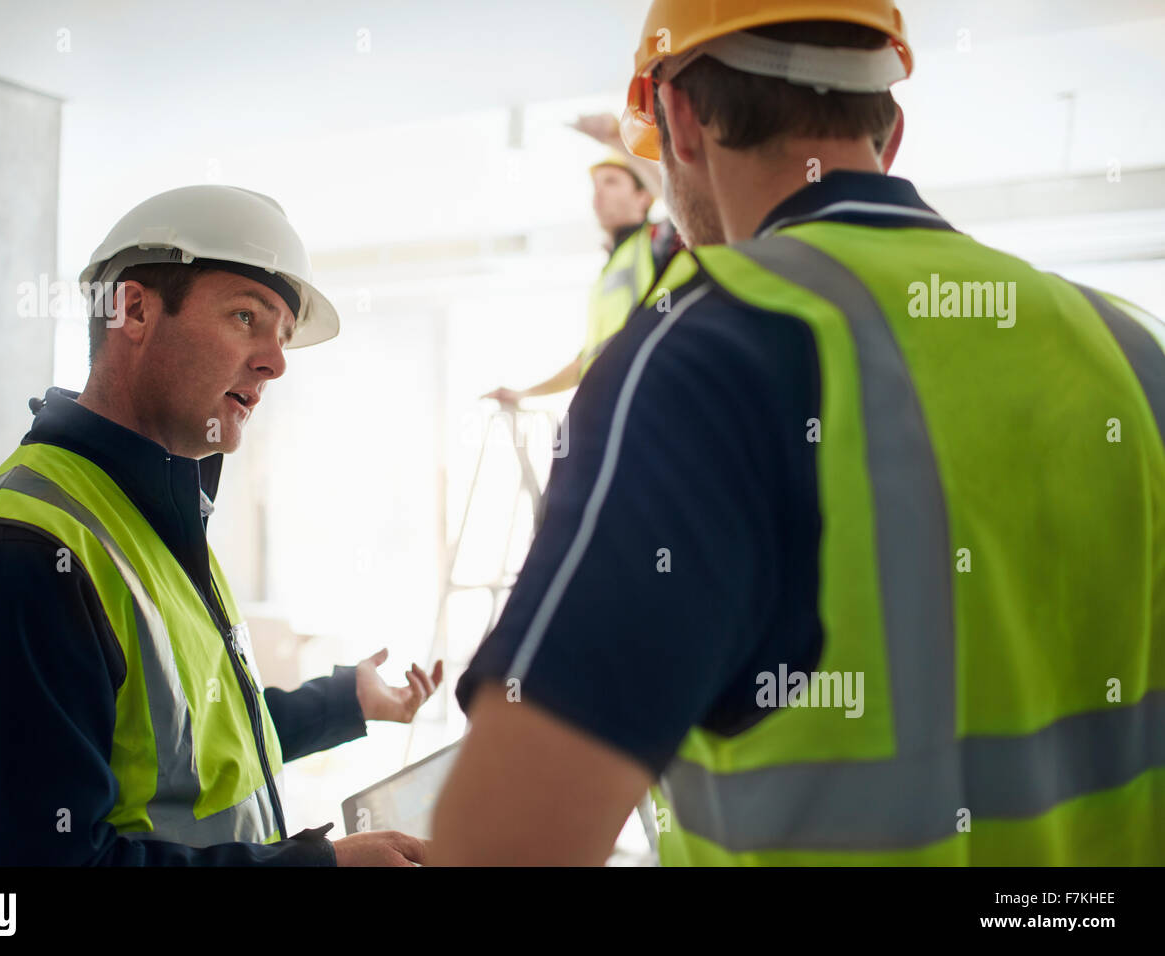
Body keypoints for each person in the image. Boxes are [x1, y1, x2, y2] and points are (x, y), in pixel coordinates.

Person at [433, 0, 1165, 865]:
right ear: (889, 129)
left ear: (677, 117)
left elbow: (499, 845)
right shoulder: (1128, 347)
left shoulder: (712, 348)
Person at [0, 184, 442, 866]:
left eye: (284, 335)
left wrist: (341, 702)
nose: (276, 361)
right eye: (248, 317)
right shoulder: (17, 559)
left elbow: (194, 745)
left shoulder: (157, 521)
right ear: (133, 309)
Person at [483, 116, 680, 406]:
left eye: (611, 182)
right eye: (596, 184)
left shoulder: (658, 240)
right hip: (612, 402)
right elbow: (586, 362)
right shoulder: (609, 271)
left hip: (648, 396)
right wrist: (524, 394)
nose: (598, 191)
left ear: (643, 198)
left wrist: (617, 141)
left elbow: (675, 196)